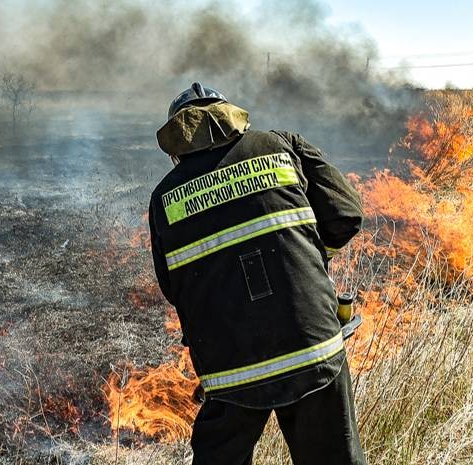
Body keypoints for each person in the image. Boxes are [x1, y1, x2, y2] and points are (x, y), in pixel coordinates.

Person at [147, 83, 366, 465]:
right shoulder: (281, 145)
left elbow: (173, 287)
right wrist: (311, 259)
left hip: (230, 367)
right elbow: (346, 215)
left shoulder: (164, 199)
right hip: (311, 343)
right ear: (233, 120)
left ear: (176, 144)